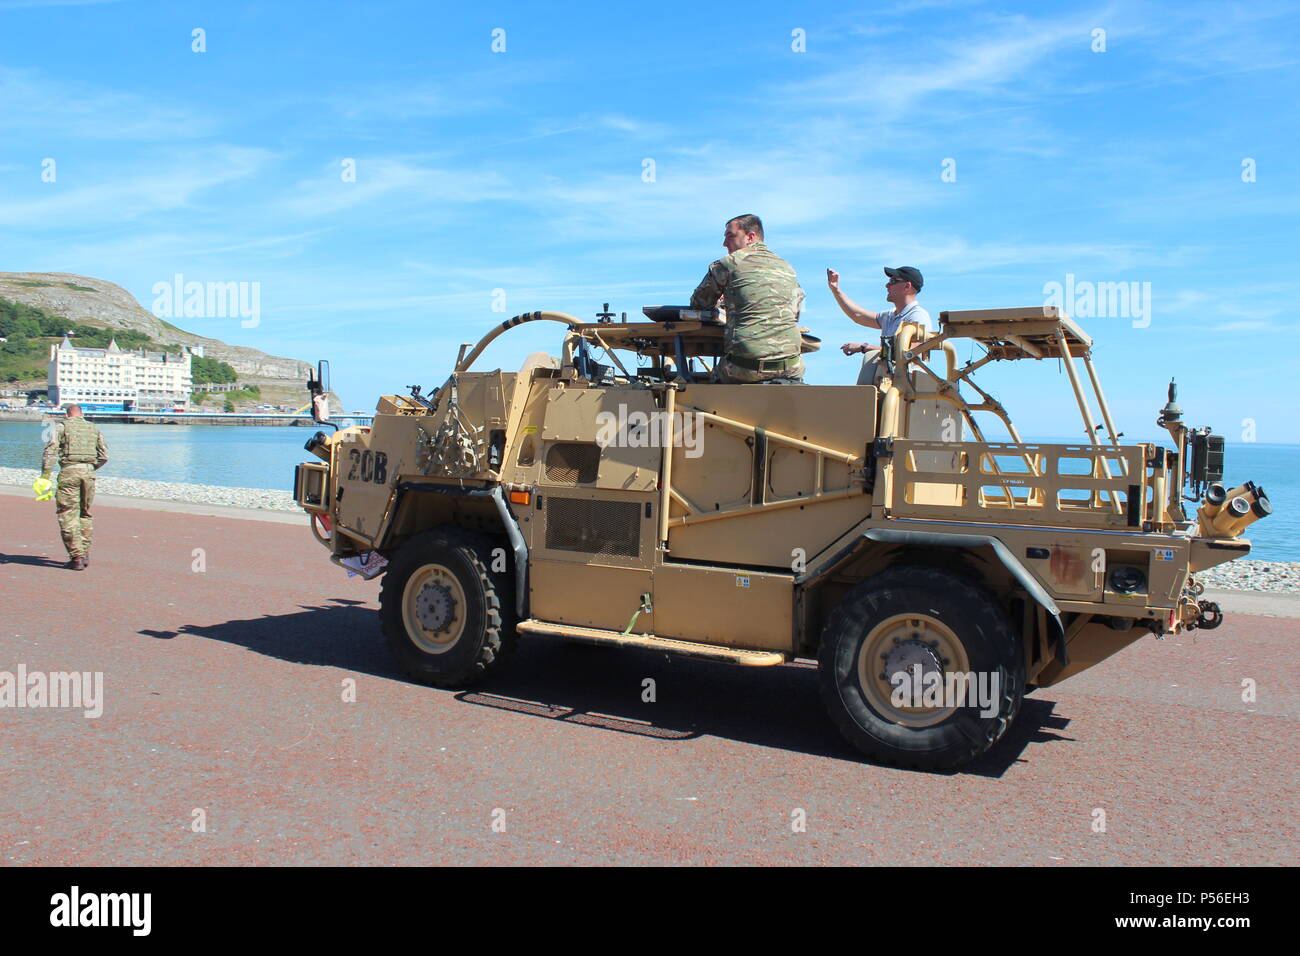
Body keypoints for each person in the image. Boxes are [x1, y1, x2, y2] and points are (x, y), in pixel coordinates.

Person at [690, 214, 805, 384]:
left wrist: (722, 303)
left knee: (702, 382)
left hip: (745, 367)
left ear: (751, 237)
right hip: (791, 366)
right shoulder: (787, 268)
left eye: (730, 236)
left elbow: (699, 304)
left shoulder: (729, 263)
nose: (724, 244)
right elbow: (794, 314)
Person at [828, 266, 931, 385]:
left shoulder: (918, 316)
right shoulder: (890, 316)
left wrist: (864, 347)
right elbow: (858, 315)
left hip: (908, 388)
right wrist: (836, 290)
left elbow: (908, 355)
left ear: (907, 286)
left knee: (870, 356)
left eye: (892, 281)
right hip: (889, 381)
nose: (887, 286)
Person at [40, 404, 108, 570]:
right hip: (89, 474)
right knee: (85, 513)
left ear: (67, 414)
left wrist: (45, 477)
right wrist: (90, 468)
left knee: (68, 513)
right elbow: (104, 456)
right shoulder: (94, 428)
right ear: (81, 414)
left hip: (69, 472)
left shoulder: (61, 428)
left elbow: (51, 452)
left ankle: (76, 557)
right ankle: (84, 552)